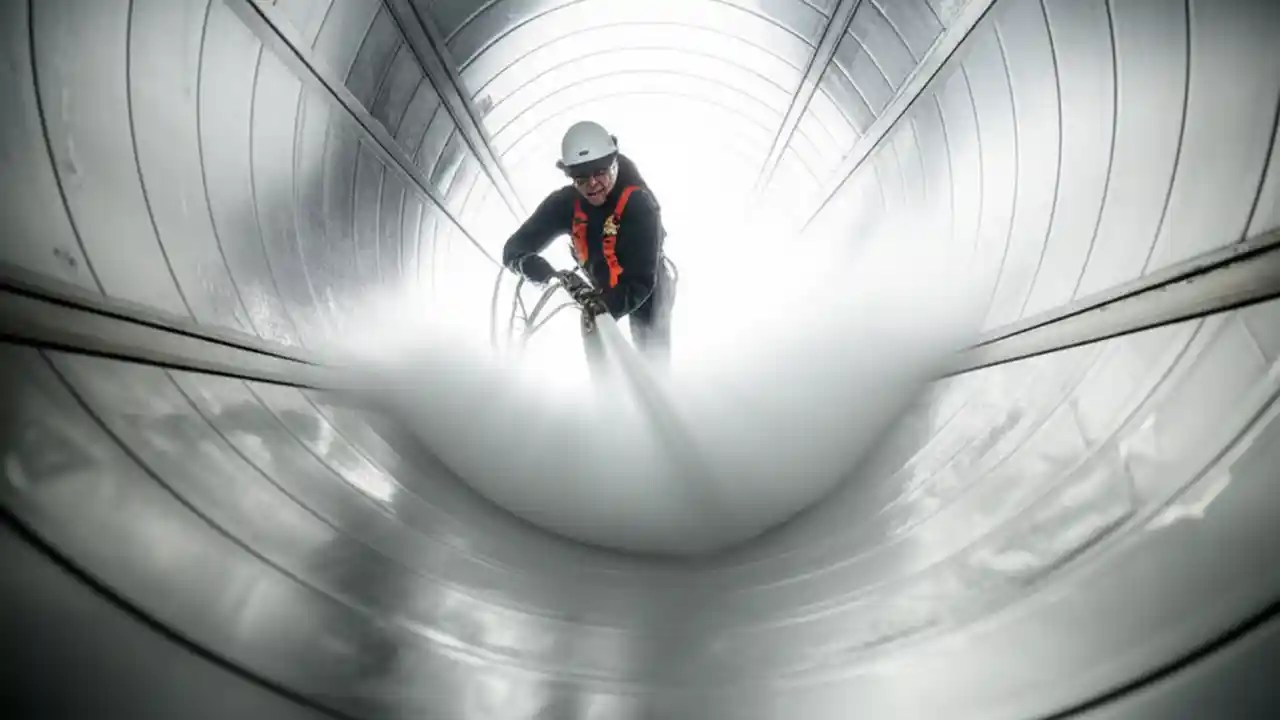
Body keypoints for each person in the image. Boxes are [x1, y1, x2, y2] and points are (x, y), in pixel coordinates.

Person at [502, 120, 676, 363]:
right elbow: (513, 249)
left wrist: (603, 309)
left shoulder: (640, 206)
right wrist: (546, 275)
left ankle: (657, 386)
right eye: (581, 178)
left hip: (648, 284)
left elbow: (641, 282)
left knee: (652, 353)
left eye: (600, 173)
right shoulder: (564, 205)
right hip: (600, 286)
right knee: (598, 349)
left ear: (614, 164)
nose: (592, 184)